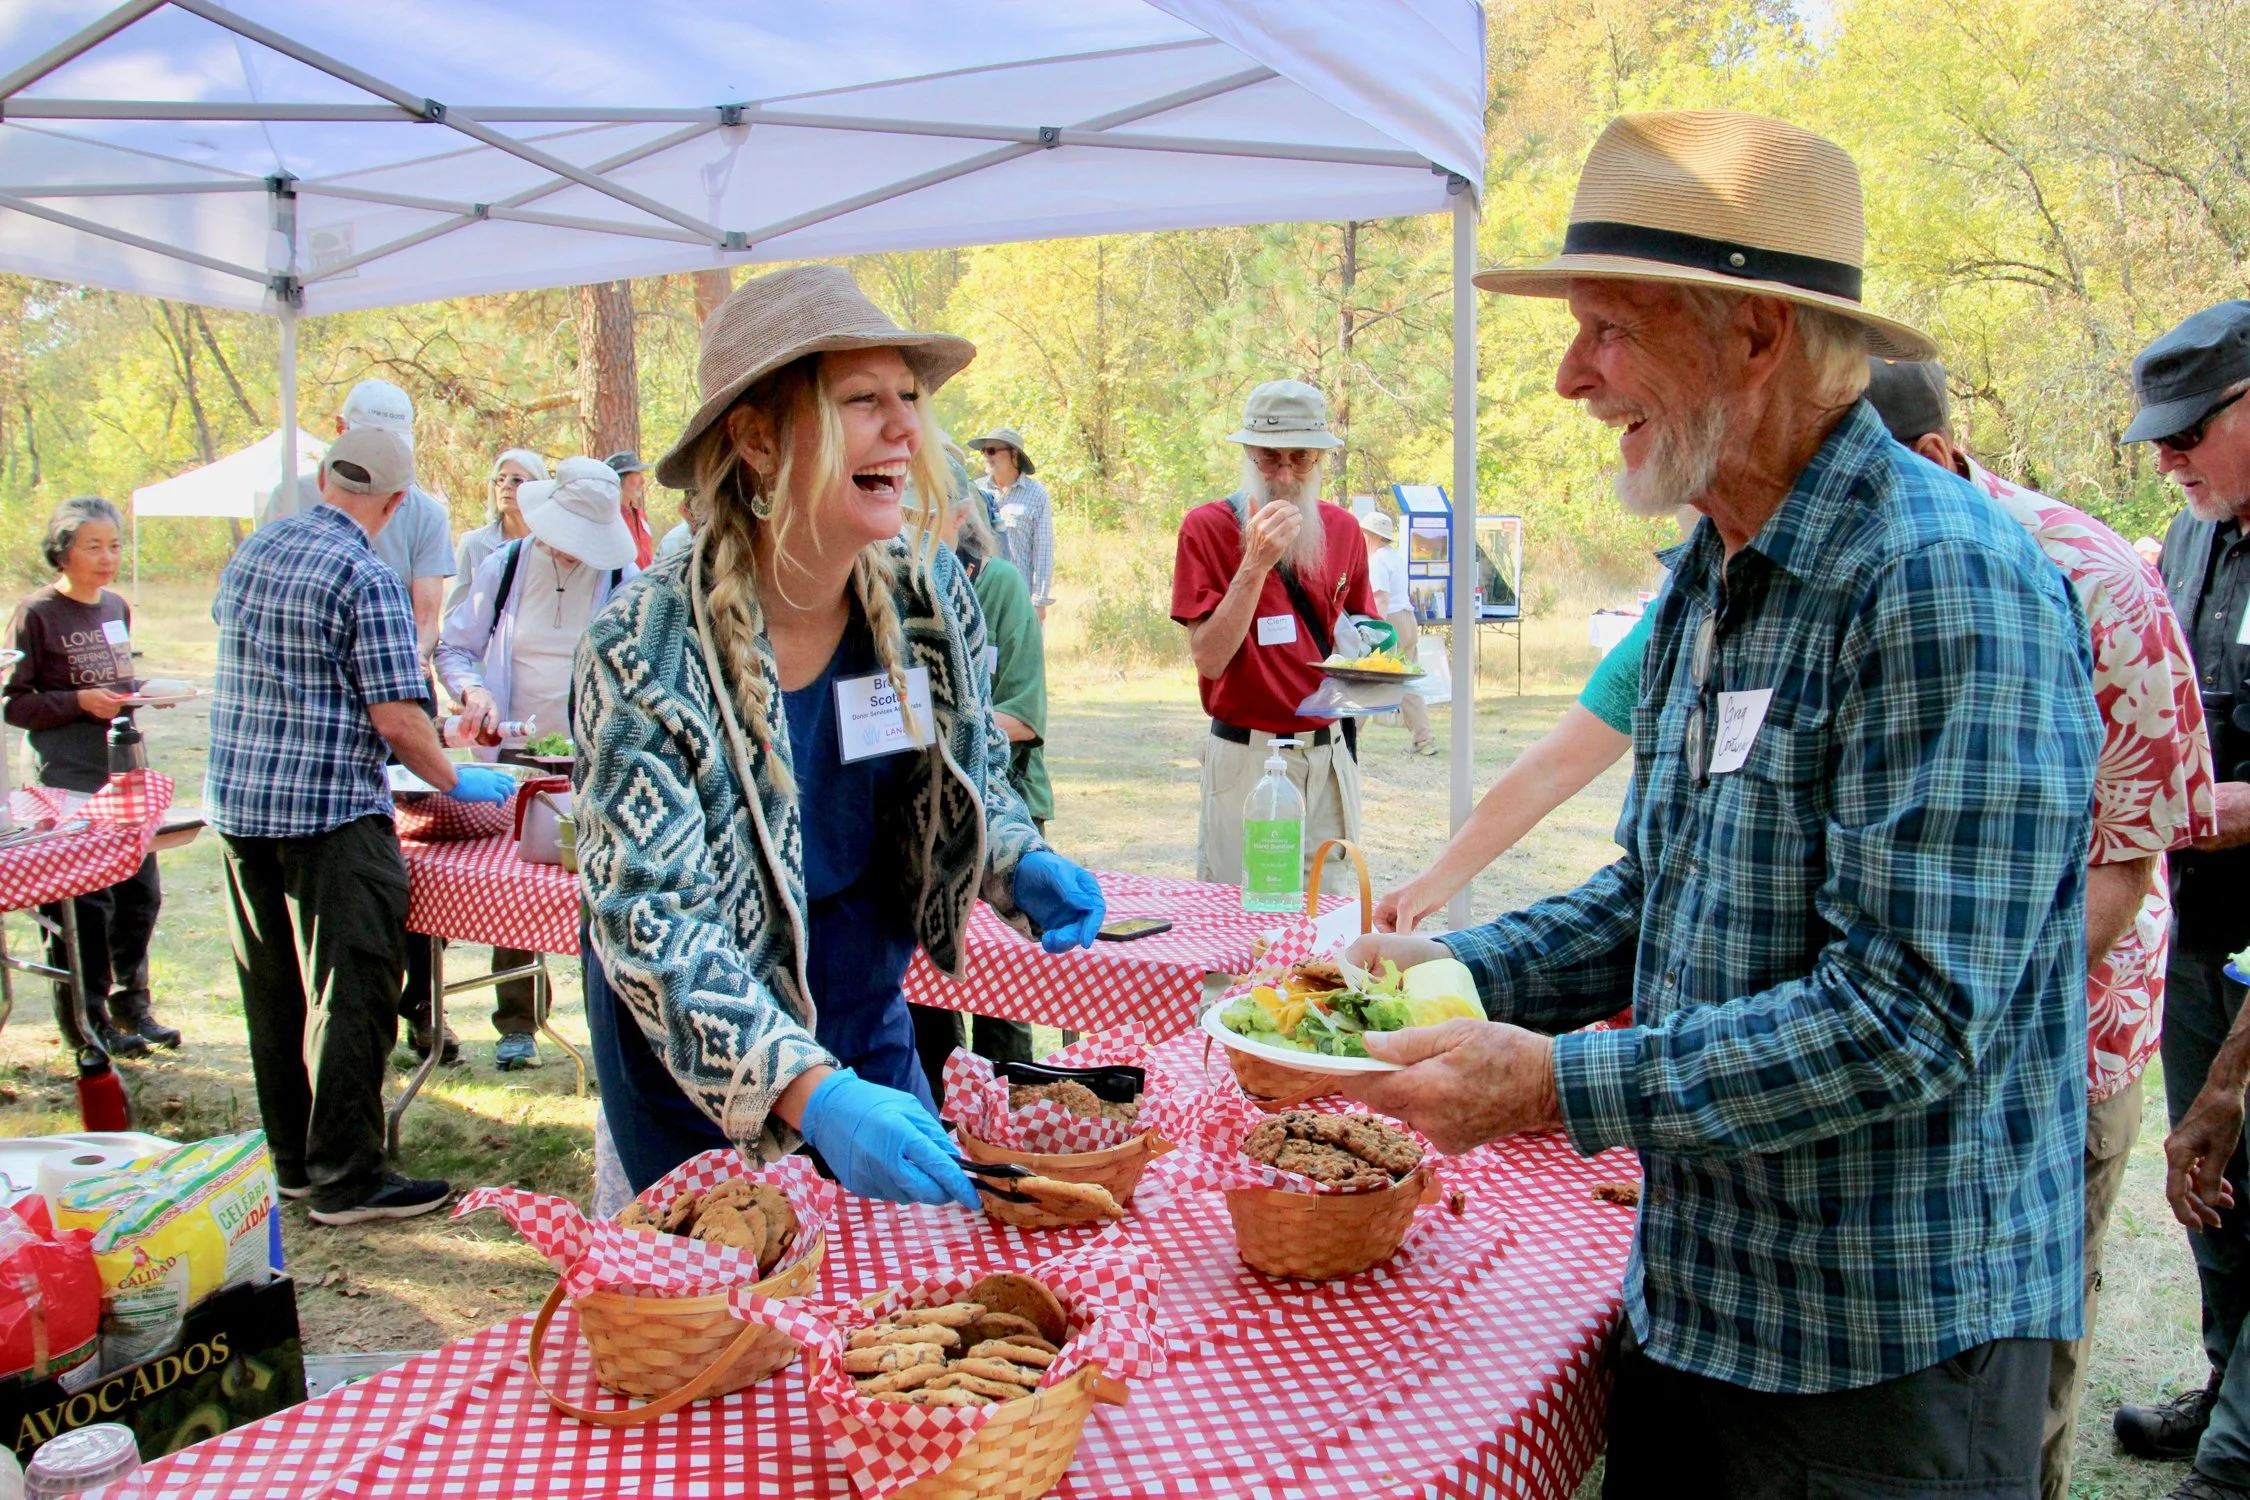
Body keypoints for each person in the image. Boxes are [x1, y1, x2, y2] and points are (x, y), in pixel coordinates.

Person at [1343, 111, 2101, 1494]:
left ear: (1754, 336)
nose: (1570, 377)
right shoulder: (1717, 565)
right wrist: (1448, 972)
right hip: (1704, 1306)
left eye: (1608, 331)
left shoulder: (1940, 583)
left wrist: (1554, 1084)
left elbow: (1908, 1018)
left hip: (1883, 1357)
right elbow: (1662, 890)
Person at [572, 265, 1104, 1198]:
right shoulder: (643, 647)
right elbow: (652, 922)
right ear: (757, 439)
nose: (907, 429)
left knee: (911, 1278)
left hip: (866, 1031)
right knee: (750, 1291)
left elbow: (976, 776)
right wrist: (809, 1096)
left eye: (909, 397)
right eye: (863, 400)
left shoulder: (931, 597)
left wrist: (1016, 860)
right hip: (707, 1076)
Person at [1864, 356, 2218, 1500]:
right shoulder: (1859, 562)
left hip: (2058, 1039)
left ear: (1931, 460)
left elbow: (2124, 860)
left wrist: (1959, 1023)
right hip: (1899, 1037)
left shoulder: (2095, 584)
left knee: (2026, 1351)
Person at [209, 427, 516, 1226]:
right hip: (329, 811)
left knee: (272, 990)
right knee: (355, 988)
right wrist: (456, 780)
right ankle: (347, 1178)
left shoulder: (255, 550)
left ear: (324, 479)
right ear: (397, 502)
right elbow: (396, 718)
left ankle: (294, 1162)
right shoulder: (363, 574)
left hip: (241, 806)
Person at [2110, 301, 2250, 1500]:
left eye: (2190, 431)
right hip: (2202, 931)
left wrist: (2219, 806)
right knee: (2212, 1181)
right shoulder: (2192, 540)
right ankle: (2225, 1385)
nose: (2168, 459)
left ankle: (2240, 1454)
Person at [435, 456, 639, 1070]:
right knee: (513, 883)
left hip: (593, 758)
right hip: (513, 756)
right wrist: (473, 692)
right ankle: (517, 1023)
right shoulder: (503, 567)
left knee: (598, 889)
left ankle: (612, 1032)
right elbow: (454, 648)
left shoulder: (623, 577)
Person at [1171, 380, 1374, 886]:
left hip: (1326, 756)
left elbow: (1363, 632)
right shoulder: (1206, 528)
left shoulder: (1344, 530)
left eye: (1300, 459)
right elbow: (1209, 658)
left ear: (1319, 459)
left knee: (1325, 910)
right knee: (1238, 912)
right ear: (1249, 455)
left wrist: (1383, 654)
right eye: (1270, 459)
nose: (1285, 477)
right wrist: (1255, 563)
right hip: (1247, 757)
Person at [3, 497, 180, 1057]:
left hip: (122, 771)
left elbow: (119, 681)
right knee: (84, 905)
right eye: (94, 547)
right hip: (64, 776)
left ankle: (134, 1004)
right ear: (62, 552)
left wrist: (147, 693)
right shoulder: (36, 613)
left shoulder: (116, 607)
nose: (107, 558)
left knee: (138, 894)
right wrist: (77, 702)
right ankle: (87, 1019)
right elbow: (14, 703)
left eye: (115, 546)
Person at [907, 473, 1050, 1091]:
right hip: (918, 820)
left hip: (1002, 805)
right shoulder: (884, 586)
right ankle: (943, 1105)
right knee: (924, 996)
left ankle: (1010, 1107)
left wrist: (942, 730)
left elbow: (1022, 716)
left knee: (1002, 991)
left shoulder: (993, 586)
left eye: (922, 514)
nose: (908, 531)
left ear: (961, 514)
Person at [1358, 511, 1436, 756]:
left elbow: (1381, 597)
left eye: (1363, 534)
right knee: (1405, 682)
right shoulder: (1394, 557)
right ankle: (1424, 738)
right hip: (1407, 619)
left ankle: (1349, 734)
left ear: (1371, 536)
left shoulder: (1378, 560)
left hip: (1391, 621)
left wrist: (1376, 629)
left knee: (1368, 676)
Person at [447, 449, 548, 616]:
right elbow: (454, 614)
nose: (505, 486)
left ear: (538, 487)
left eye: (517, 480)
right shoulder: (472, 544)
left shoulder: (554, 546)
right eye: (500, 480)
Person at [967, 427, 1054, 619]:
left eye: (992, 451)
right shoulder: (975, 490)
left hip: (1019, 597)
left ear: (1013, 455)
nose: (986, 456)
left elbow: (1043, 551)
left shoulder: (1037, 495)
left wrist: (1039, 601)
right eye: (983, 451)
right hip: (980, 596)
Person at [603, 451, 657, 568]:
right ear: (619, 479)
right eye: (637, 474)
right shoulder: (609, 518)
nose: (642, 481)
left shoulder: (640, 516)